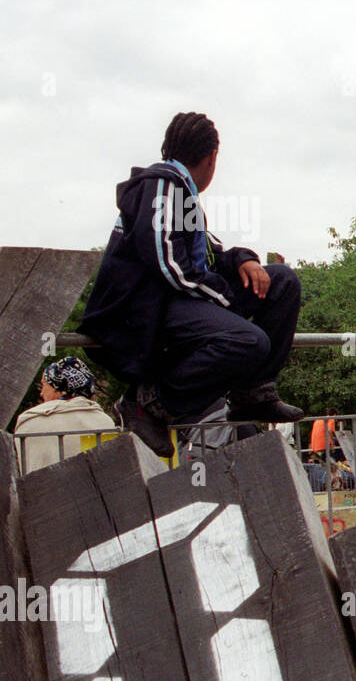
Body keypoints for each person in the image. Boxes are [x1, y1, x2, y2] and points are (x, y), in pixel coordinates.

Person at [78, 112, 303, 458]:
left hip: (176, 304)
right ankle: (148, 402)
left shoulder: (178, 192)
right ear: (212, 158)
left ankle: (253, 393)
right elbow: (170, 266)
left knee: (281, 282)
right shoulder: (162, 186)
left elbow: (209, 252)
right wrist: (226, 302)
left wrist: (245, 259)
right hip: (140, 314)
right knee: (249, 340)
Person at [13, 357, 117, 473]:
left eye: (44, 384)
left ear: (58, 388)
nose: (42, 393)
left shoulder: (30, 420)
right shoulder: (104, 421)